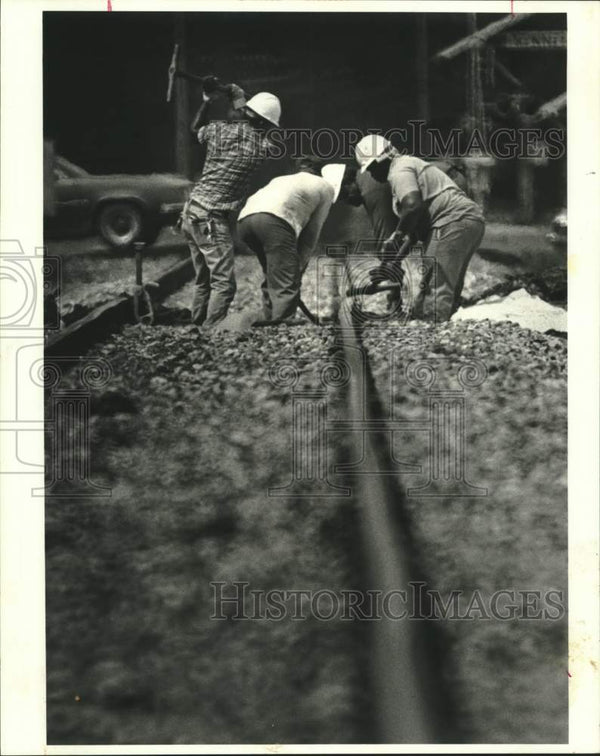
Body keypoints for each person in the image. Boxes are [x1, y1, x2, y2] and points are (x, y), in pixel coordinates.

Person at [180, 84, 282, 327]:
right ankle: (210, 331)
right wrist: (239, 97)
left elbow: (194, 129)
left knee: (204, 279)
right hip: (210, 220)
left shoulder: (219, 131)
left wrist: (207, 99)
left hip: (190, 213)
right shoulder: (261, 147)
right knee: (224, 284)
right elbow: (261, 129)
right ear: (264, 123)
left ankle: (197, 327)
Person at [354, 135, 485, 322]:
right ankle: (440, 323)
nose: (372, 175)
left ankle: (433, 331)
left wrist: (395, 236)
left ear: (381, 160)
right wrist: (394, 261)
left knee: (435, 285)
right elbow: (414, 232)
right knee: (441, 284)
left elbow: (413, 206)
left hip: (452, 221)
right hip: (466, 221)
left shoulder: (398, 170)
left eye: (372, 169)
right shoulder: (405, 168)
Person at [237, 158, 348, 323]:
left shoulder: (283, 179)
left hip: (244, 221)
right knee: (286, 274)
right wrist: (299, 267)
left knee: (273, 269)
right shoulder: (326, 188)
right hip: (274, 220)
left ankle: (270, 315)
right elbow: (311, 234)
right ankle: (283, 319)